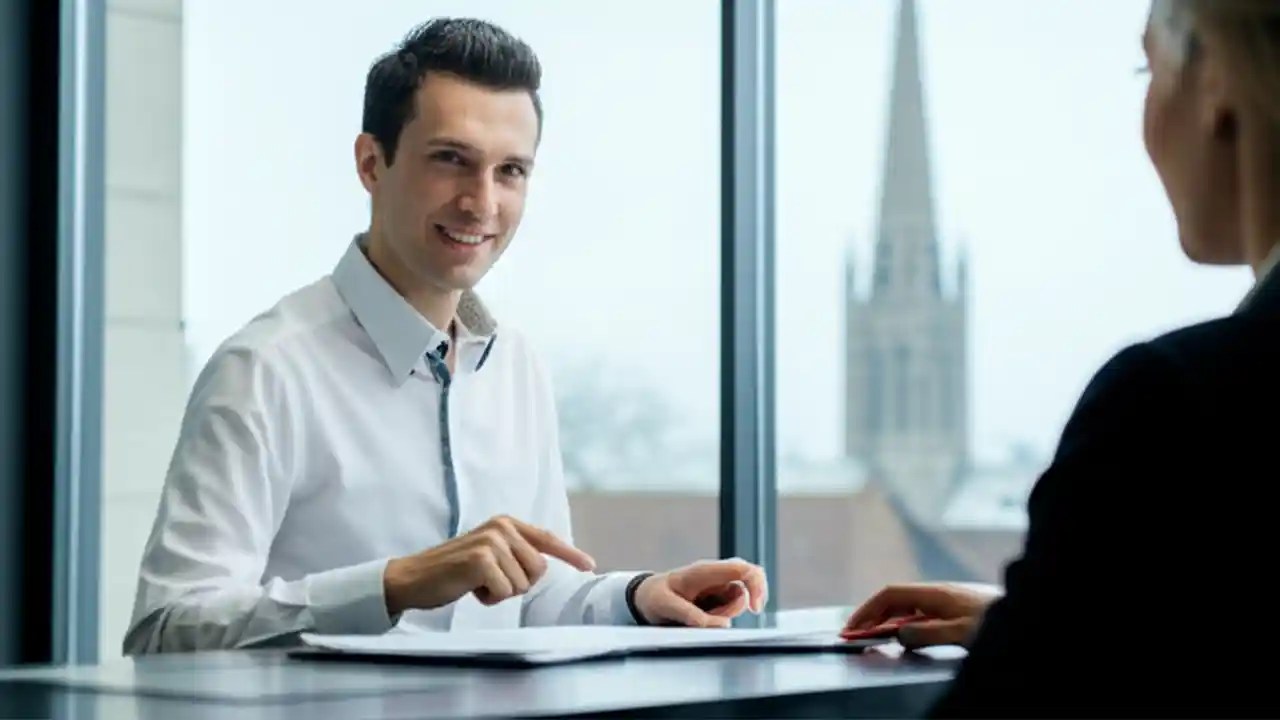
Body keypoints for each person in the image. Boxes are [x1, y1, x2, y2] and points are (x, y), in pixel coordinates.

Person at [123, 17, 766, 655]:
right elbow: (166, 631)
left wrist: (637, 596)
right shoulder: (264, 370)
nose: (481, 202)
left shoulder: (516, 366)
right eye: (452, 160)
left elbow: (530, 598)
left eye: (510, 170)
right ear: (371, 163)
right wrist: (396, 583)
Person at [843, 0, 1280, 715]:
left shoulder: (1171, 404)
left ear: (1218, 82)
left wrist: (1049, 631)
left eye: (1150, 66)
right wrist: (1066, 616)